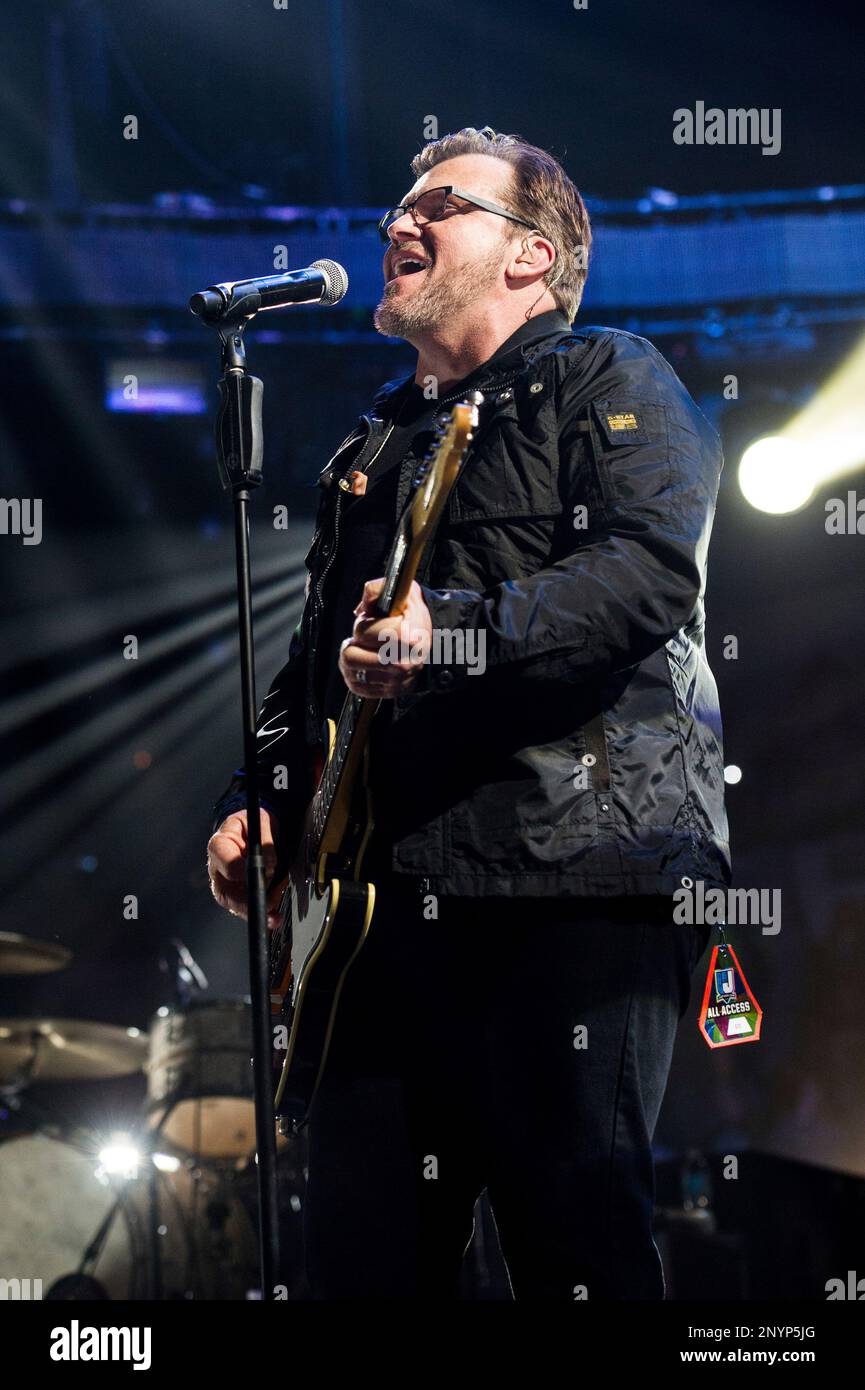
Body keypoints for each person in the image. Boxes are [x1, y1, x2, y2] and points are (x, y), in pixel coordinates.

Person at [206, 125, 729, 1300]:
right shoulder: (375, 440)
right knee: (361, 1261)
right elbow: (314, 674)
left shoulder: (607, 375)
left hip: (574, 879)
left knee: (575, 1245)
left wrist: (456, 630)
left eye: (439, 204)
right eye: (400, 203)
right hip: (386, 915)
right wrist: (261, 802)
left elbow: (650, 573)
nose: (400, 220)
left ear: (529, 256)